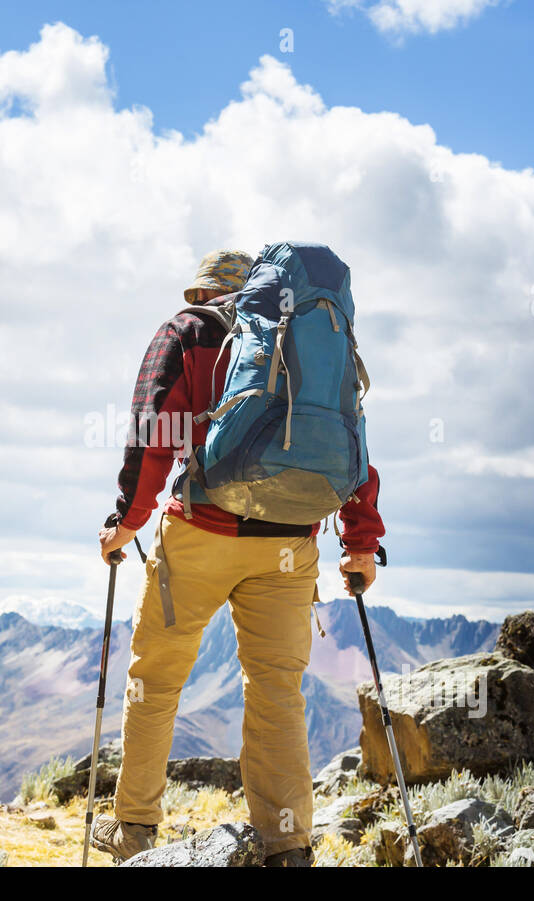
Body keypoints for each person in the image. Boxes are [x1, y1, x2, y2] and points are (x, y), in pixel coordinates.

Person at [92, 248, 385, 866]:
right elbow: (350, 440)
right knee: (277, 690)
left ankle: (136, 830)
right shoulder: (313, 339)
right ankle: (286, 845)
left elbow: (155, 432)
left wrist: (128, 521)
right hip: (289, 541)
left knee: (157, 679)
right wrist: (359, 542)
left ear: (202, 292)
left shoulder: (188, 332)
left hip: (202, 529)